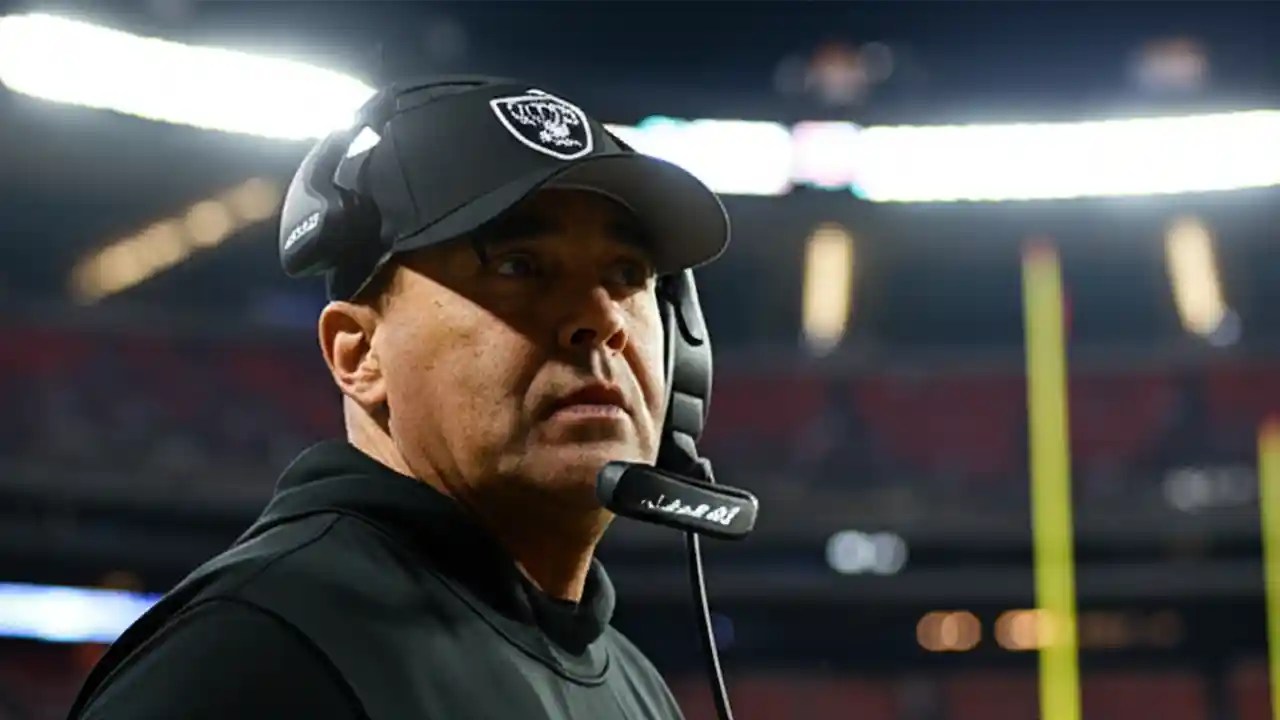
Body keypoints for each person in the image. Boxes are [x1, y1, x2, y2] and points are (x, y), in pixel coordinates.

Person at [66, 77, 730, 719]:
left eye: (627, 275)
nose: (603, 317)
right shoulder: (247, 657)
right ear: (358, 355)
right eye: (518, 266)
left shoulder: (635, 685)